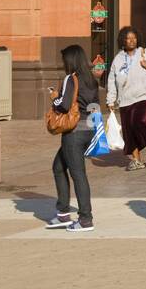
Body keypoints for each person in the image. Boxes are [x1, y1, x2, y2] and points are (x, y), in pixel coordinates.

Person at [47, 44, 98, 232]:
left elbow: (64, 105)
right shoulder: (90, 79)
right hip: (88, 130)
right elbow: (95, 106)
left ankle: (85, 219)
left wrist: (54, 97)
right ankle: (62, 213)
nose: (63, 64)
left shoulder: (72, 78)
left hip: (74, 132)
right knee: (58, 167)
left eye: (64, 60)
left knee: (78, 174)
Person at [105, 26, 146, 171]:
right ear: (123, 41)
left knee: (141, 122)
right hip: (125, 99)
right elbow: (112, 80)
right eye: (128, 38)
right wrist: (110, 99)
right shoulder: (118, 59)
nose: (132, 41)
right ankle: (136, 160)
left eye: (134, 38)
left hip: (143, 96)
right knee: (128, 129)